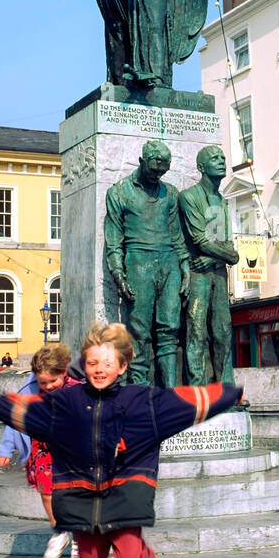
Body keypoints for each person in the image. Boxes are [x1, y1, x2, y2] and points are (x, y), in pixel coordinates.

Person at [0, 322, 243, 558]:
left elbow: (187, 402)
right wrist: (4, 407)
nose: (99, 369)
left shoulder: (142, 403)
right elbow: (36, 413)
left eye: (108, 363)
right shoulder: (67, 403)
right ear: (83, 365)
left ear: (122, 366)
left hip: (123, 499)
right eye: (92, 363)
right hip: (81, 503)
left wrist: (229, 394)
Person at [104, 140, 191, 386]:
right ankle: (140, 390)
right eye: (154, 169)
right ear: (142, 162)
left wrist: (184, 266)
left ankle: (170, 392)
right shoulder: (119, 192)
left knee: (170, 329)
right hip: (138, 261)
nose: (158, 175)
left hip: (169, 262)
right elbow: (114, 239)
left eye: (163, 170)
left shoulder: (171, 193)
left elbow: (176, 234)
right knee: (139, 331)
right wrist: (119, 273)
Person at [0, 345, 83, 558]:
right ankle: (61, 530)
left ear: (64, 373)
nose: (48, 386)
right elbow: (14, 420)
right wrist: (6, 449)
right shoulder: (30, 391)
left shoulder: (79, 390)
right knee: (47, 494)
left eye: (53, 381)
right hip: (42, 450)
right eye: (43, 382)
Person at [179, 145, 239, 384]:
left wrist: (217, 257)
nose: (221, 161)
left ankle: (225, 387)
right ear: (201, 167)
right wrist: (225, 255)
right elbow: (199, 239)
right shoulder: (189, 197)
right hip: (197, 275)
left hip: (217, 272)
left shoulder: (222, 202)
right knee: (196, 331)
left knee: (223, 332)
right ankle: (197, 389)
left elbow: (230, 248)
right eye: (215, 158)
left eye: (223, 157)